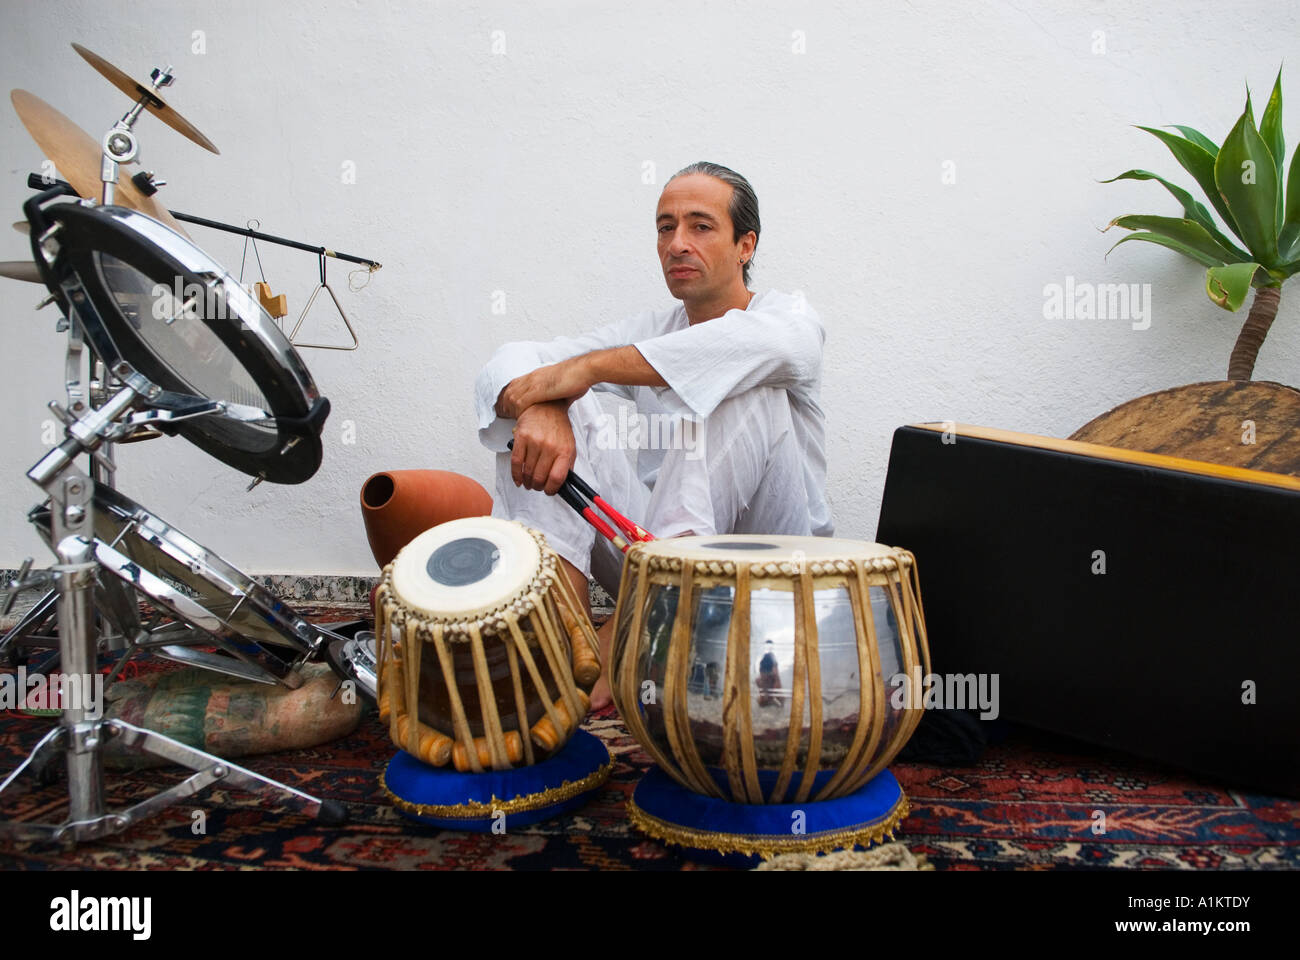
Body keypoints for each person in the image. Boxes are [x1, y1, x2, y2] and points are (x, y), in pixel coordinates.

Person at [474, 161, 831, 709]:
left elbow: (774, 348)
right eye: (666, 227)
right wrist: (543, 404)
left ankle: (627, 634)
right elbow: (512, 360)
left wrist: (584, 370)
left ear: (745, 245)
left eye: (700, 226)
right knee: (546, 407)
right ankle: (558, 639)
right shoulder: (651, 331)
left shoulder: (789, 318)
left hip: (771, 571)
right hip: (651, 557)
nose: (677, 243)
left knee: (740, 383)